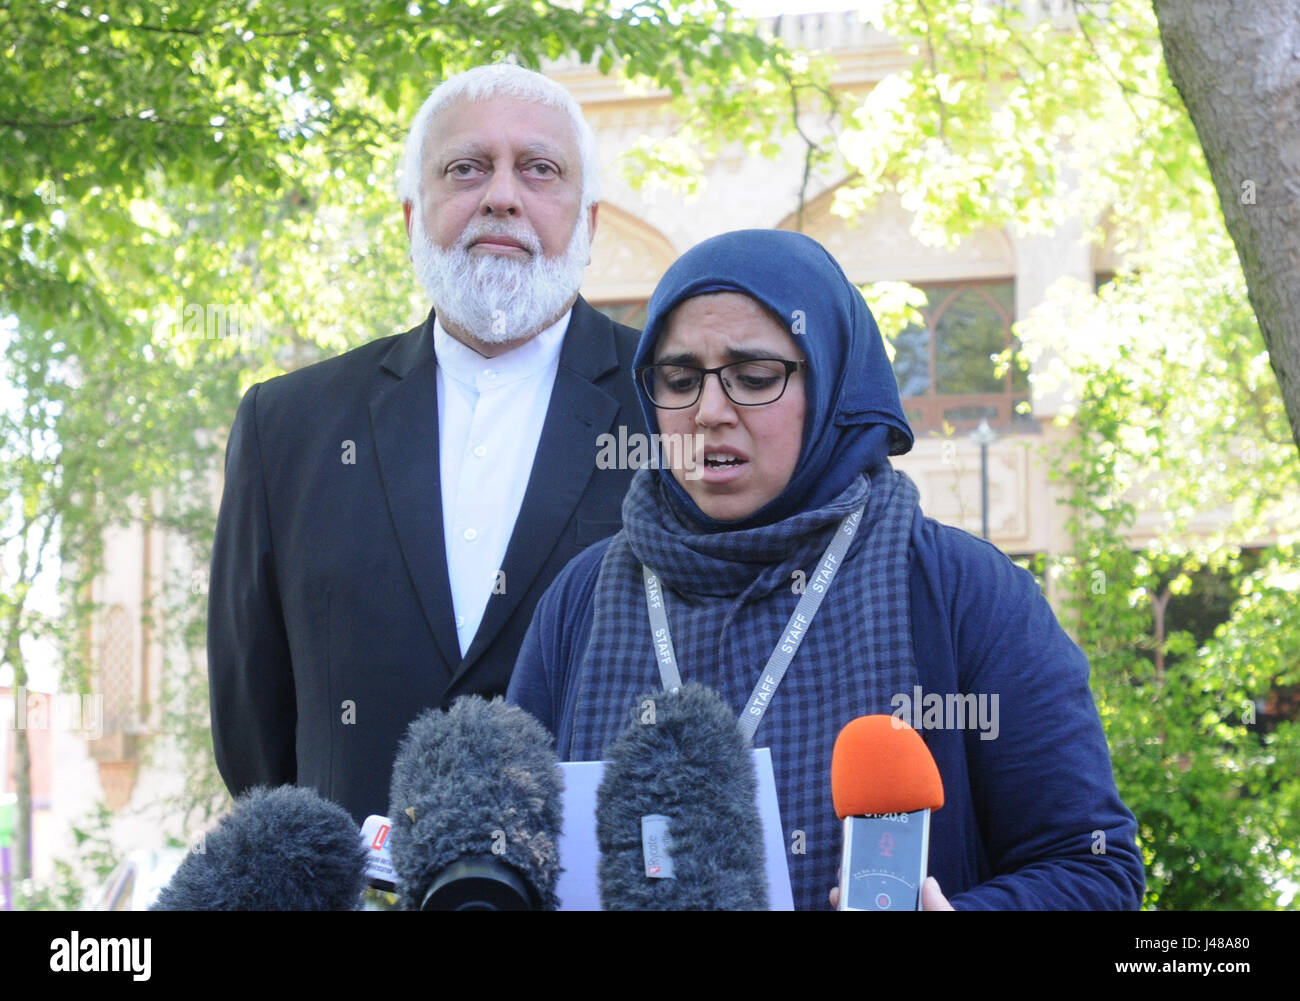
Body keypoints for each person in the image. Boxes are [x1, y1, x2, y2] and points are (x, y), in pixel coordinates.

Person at [507, 228, 1145, 910]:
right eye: (679, 378)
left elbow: (1091, 868)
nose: (710, 412)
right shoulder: (582, 599)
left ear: (832, 384)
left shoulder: (963, 591)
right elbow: (513, 850)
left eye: (754, 377)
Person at [207, 64, 647, 824]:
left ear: (590, 222)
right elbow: (255, 730)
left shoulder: (674, 409)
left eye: (539, 170)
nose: (502, 195)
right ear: (413, 215)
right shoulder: (287, 427)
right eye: (465, 168)